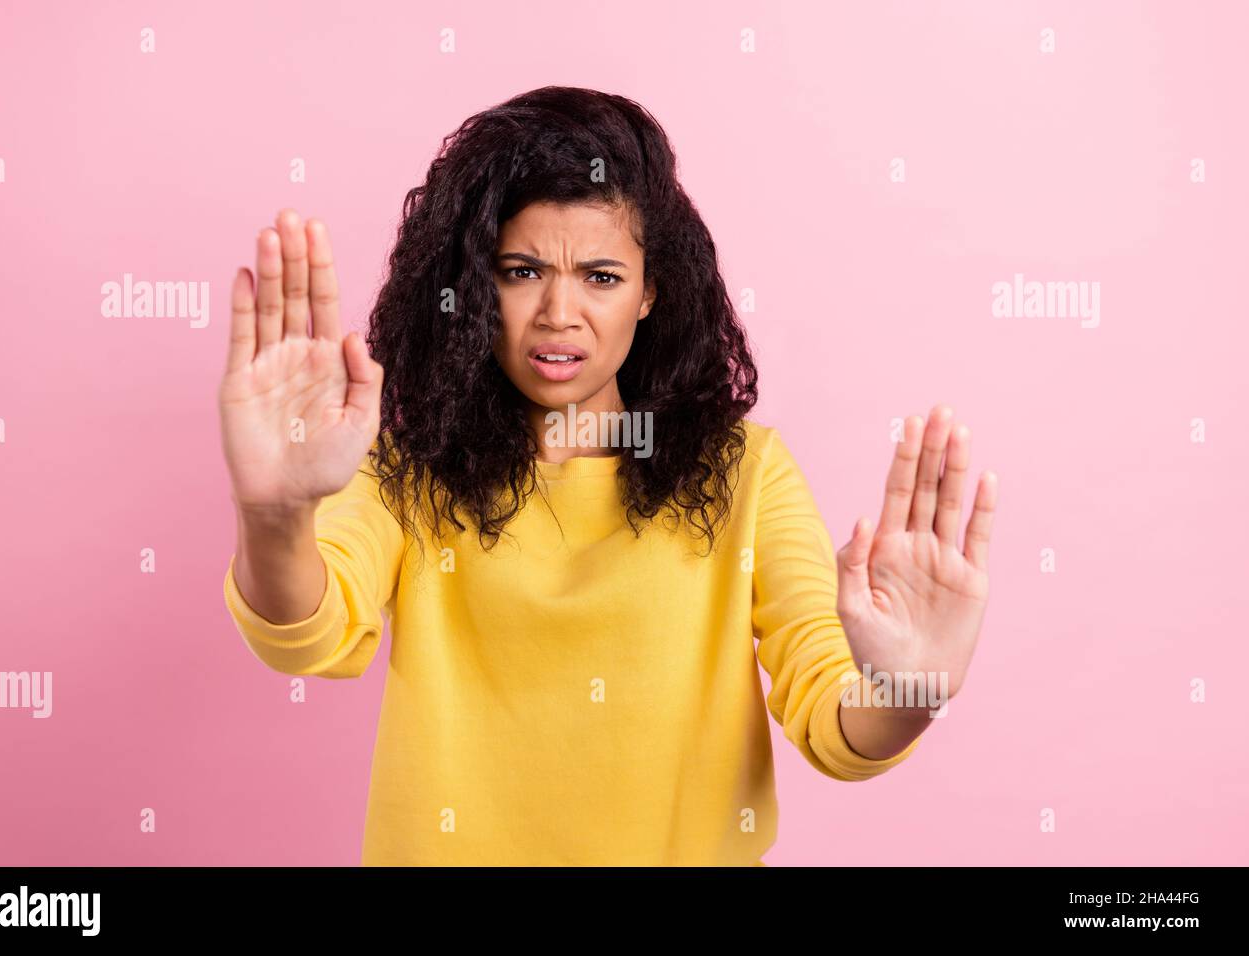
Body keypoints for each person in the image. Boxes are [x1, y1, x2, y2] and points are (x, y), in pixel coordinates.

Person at [217, 86, 998, 866]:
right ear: (476, 286)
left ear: (652, 289)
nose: (560, 312)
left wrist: (912, 689)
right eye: (522, 272)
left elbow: (835, 723)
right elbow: (305, 634)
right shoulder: (410, 470)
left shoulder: (747, 474)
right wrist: (275, 514)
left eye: (601, 276)